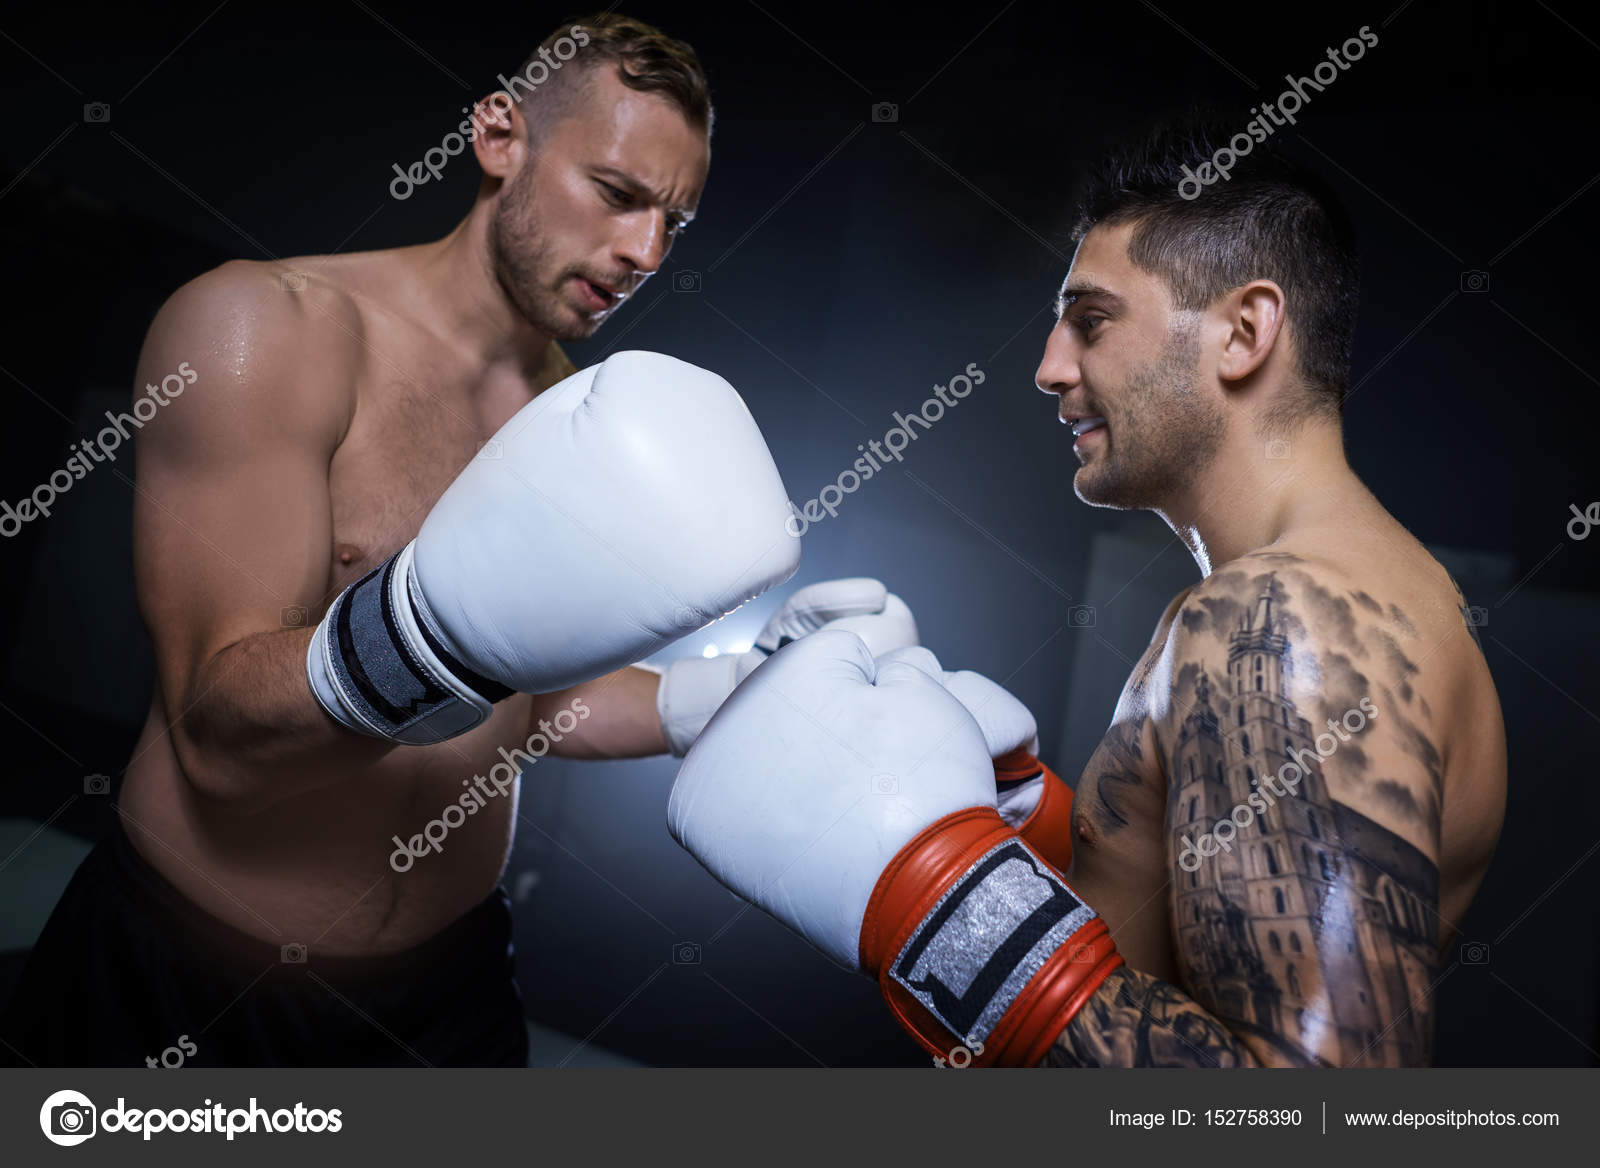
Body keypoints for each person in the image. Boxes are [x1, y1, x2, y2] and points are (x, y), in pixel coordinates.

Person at [0, 12, 905, 1069]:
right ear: (497, 136)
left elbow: (534, 697)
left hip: (449, 990)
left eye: (676, 224)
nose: (643, 254)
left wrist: (732, 694)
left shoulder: (588, 418)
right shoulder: (268, 328)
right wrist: (435, 631)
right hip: (185, 974)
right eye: (615, 195)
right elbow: (216, 741)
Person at [669, 114, 1507, 1067]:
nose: (1050, 368)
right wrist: (1032, 820)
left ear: (1245, 330)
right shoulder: (1364, 591)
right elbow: (1203, 960)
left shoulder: (1284, 621)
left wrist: (946, 904)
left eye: (1092, 320)